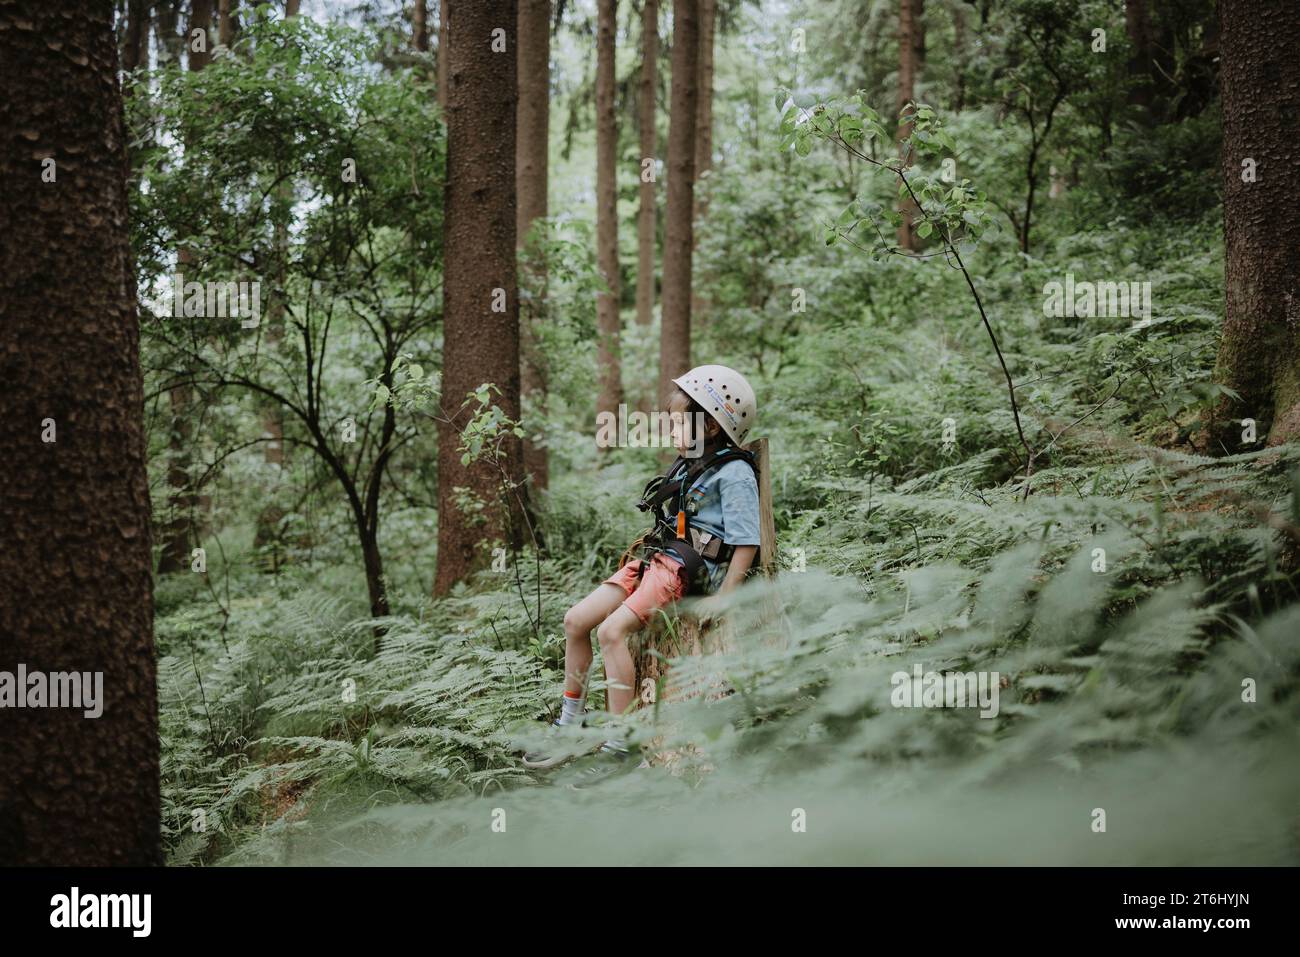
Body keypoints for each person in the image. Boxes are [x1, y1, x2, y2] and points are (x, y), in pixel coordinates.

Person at [523, 365, 762, 771]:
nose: (671, 428)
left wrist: (725, 598)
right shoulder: (692, 462)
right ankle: (570, 724)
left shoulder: (734, 473)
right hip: (661, 559)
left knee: (611, 632)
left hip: (690, 571)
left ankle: (620, 746)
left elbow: (747, 542)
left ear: (713, 427)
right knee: (575, 621)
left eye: (678, 421)